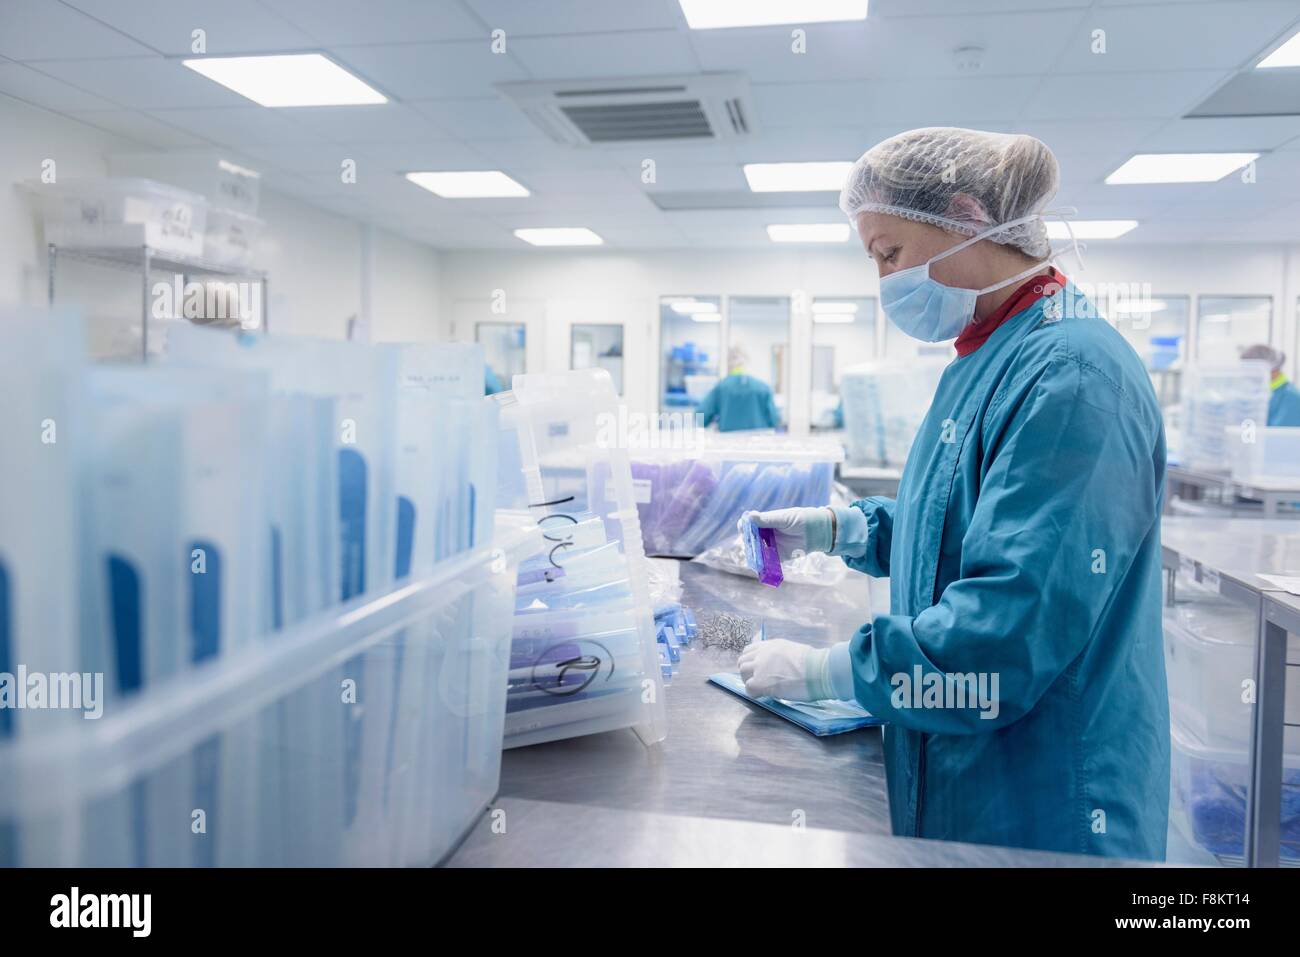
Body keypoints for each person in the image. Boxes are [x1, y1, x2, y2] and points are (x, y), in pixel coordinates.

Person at [738, 127, 1169, 861]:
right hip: (965, 773)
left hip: (1045, 802)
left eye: (888, 253)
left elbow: (1003, 637)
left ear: (967, 217)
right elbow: (963, 520)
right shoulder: (988, 352)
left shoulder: (1075, 376)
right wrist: (839, 528)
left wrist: (826, 671)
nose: (884, 283)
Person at [696, 346, 781, 431]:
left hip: (728, 442)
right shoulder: (763, 388)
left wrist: (716, 418)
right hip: (758, 442)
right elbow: (774, 420)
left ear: (728, 363)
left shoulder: (721, 387)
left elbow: (701, 417)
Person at [1241, 344, 1300, 426]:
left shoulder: (1290, 398)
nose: (1246, 374)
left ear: (1272, 368)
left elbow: (1281, 436)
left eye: (1251, 369)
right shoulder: (1263, 392)